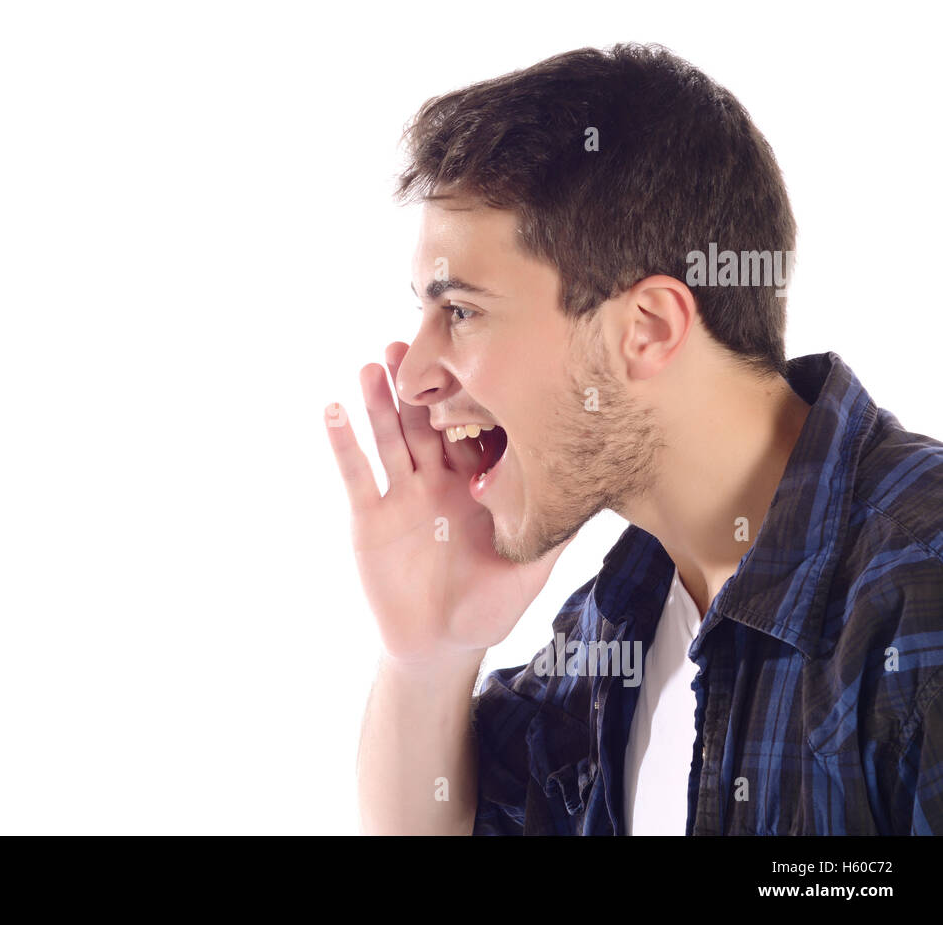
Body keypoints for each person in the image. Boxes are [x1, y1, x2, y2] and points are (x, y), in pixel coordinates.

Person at [324, 43, 943, 835]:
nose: (413, 377)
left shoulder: (920, 590)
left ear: (646, 327)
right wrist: (429, 657)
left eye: (463, 311)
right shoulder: (620, 620)